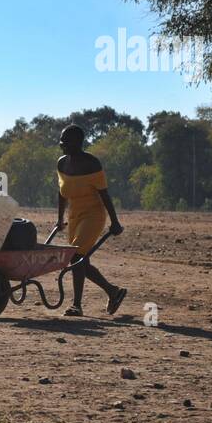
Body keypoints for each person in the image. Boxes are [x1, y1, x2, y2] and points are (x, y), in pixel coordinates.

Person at [55, 124, 126, 317]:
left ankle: (76, 305)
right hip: (74, 216)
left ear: (78, 143)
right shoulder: (62, 163)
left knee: (76, 257)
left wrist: (115, 221)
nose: (62, 145)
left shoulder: (92, 164)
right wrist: (60, 219)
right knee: (80, 260)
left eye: (66, 141)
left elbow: (104, 195)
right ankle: (113, 291)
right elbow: (62, 193)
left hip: (93, 215)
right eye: (61, 141)